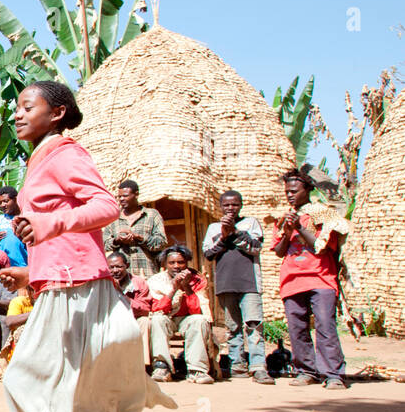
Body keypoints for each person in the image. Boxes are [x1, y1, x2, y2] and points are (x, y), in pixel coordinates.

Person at [0, 81, 175, 412]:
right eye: (16, 108)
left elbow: (105, 207)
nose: (17, 114)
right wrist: (29, 272)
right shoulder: (41, 159)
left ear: (57, 113)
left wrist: (50, 225)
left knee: (25, 378)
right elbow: (58, 238)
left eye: (27, 106)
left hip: (77, 287)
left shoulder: (66, 154)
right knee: (65, 386)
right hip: (60, 283)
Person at [271, 167, 348, 389]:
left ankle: (333, 374)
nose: (289, 195)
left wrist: (299, 227)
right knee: (297, 328)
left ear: (308, 190)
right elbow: (278, 251)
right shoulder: (284, 217)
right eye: (287, 191)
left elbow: (321, 247)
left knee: (325, 326)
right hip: (292, 280)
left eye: (294, 190)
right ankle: (306, 370)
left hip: (320, 278)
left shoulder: (322, 213)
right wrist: (287, 231)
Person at [202, 190, 273, 384]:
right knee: (232, 327)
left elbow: (256, 247)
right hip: (226, 284)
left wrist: (235, 232)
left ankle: (258, 366)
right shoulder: (214, 227)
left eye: (234, 204)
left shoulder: (251, 223)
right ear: (220, 207)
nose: (230, 208)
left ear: (241, 205)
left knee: (253, 325)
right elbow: (208, 253)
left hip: (249, 283)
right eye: (226, 205)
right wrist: (224, 237)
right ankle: (237, 365)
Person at [146, 245, 215, 384]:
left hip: (186, 319)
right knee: (157, 320)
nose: (176, 266)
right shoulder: (156, 281)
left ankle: (197, 370)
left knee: (199, 320)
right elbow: (159, 308)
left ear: (187, 263)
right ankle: (162, 367)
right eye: (172, 263)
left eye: (181, 262)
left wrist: (186, 286)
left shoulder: (197, 280)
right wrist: (174, 288)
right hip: (167, 318)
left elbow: (196, 309)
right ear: (165, 264)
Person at [103, 179, 168, 278]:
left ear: (136, 195)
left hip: (147, 274)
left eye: (125, 196)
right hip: (121, 278)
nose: (121, 199)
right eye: (119, 196)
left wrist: (140, 238)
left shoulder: (151, 215)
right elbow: (105, 244)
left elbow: (162, 242)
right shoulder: (113, 218)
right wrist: (117, 241)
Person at [107, 251, 153, 366]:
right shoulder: (103, 283)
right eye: (111, 267)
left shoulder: (138, 282)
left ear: (127, 266)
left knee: (144, 321)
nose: (115, 270)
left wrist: (121, 294)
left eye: (119, 266)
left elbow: (144, 308)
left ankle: (143, 364)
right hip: (110, 319)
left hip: (133, 318)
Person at [0, 186, 29, 267]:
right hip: (3, 269)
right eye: (0, 202)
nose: (2, 205)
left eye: (6, 201)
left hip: (23, 267)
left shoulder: (25, 218)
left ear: (16, 200)